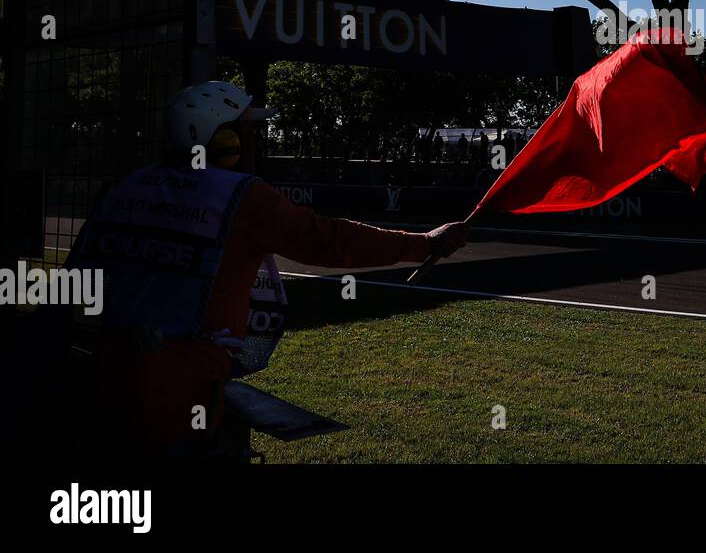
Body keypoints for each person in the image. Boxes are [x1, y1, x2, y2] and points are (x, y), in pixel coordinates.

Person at [66, 81, 470, 461]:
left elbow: (76, 274)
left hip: (104, 365)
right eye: (244, 132)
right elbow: (331, 240)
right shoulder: (241, 197)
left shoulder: (125, 187)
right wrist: (425, 243)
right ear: (222, 140)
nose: (252, 142)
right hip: (181, 380)